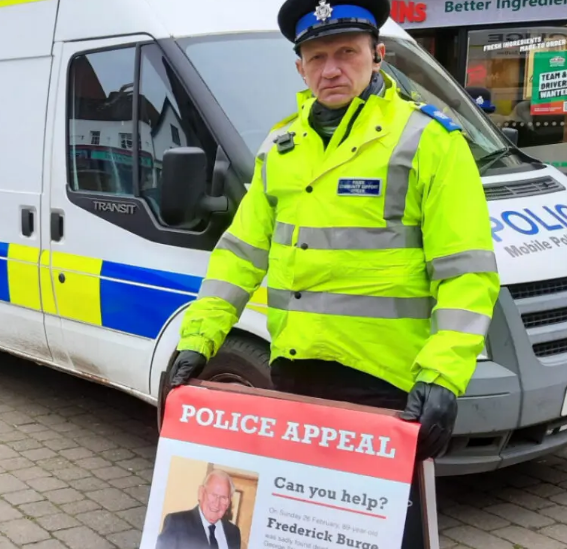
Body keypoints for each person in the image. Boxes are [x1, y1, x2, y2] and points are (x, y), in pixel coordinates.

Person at [165, 0, 500, 546]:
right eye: (316, 56)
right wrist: (197, 343)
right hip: (297, 379)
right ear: (299, 67)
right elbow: (239, 255)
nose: (331, 69)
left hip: (389, 390)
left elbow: (466, 274)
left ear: (378, 56)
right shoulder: (281, 147)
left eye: (347, 52)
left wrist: (441, 376)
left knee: (386, 532)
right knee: (302, 528)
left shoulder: (428, 141)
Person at [157, 470, 245, 549]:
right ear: (201, 492)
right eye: (213, 495)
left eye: (223, 497)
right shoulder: (176, 523)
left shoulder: (234, 533)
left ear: (229, 501)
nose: (217, 503)